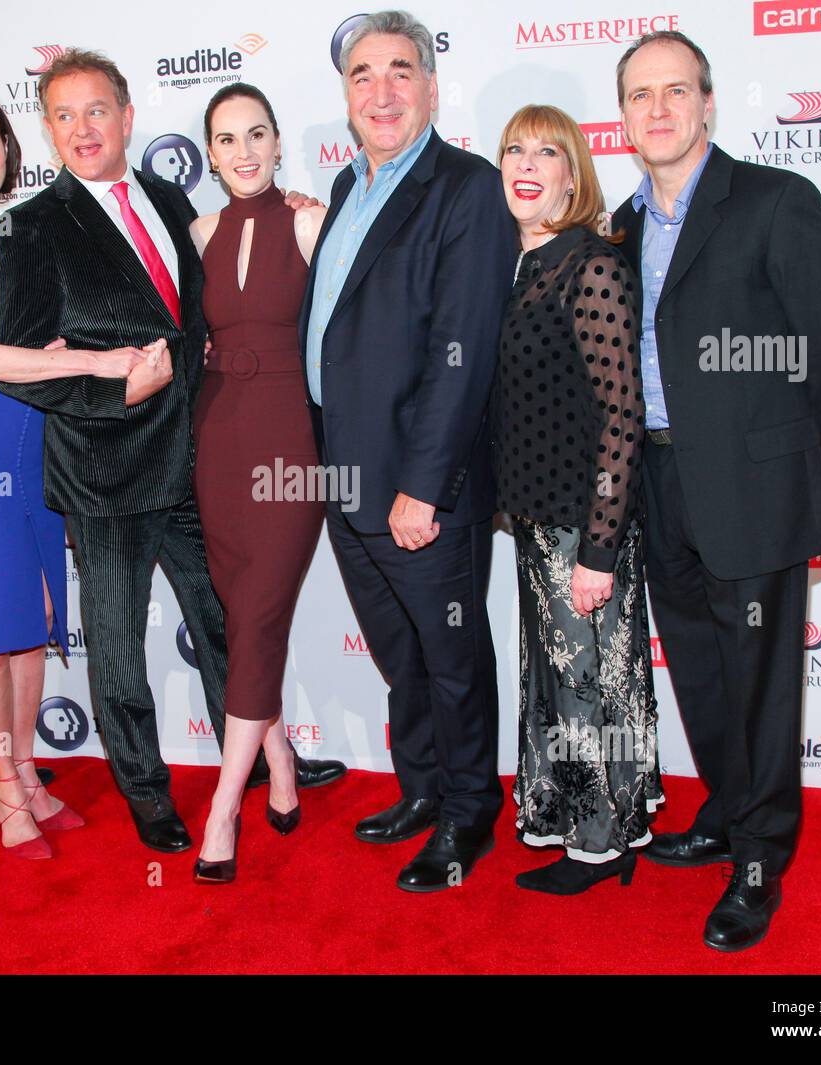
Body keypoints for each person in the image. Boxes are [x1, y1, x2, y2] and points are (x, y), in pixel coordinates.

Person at [0, 50, 343, 851]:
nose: (83, 129)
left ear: (126, 116)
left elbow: (217, 303)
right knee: (117, 653)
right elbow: (20, 357)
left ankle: (258, 753)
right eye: (64, 116)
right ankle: (148, 793)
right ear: (48, 129)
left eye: (97, 111)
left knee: (229, 621)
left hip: (197, 454)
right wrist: (114, 391)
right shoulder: (35, 224)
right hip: (105, 469)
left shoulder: (168, 197)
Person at [610, 30, 821, 950]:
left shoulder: (773, 200)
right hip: (659, 481)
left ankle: (760, 861)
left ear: (708, 102)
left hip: (751, 488)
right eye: (641, 95)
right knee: (707, 676)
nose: (660, 108)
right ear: (625, 116)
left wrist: (790, 456)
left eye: (676, 90)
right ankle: (725, 812)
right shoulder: (623, 223)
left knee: (759, 686)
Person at [301, 11, 516, 892]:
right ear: (345, 96)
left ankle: (470, 815)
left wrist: (424, 486)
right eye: (362, 75)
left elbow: (461, 350)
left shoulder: (466, 187)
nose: (381, 90)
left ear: (431, 86)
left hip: (423, 486)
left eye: (400, 71)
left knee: (453, 660)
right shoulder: (350, 188)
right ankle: (423, 790)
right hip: (346, 477)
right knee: (403, 658)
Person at [0, 85, 137, 857]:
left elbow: (34, 332)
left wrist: (63, 350)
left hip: (36, 434)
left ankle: (32, 776)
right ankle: (5, 789)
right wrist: (85, 359)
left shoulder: (19, 229)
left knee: (34, 617)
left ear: (9, 148)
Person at [492, 104, 662, 895]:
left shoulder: (589, 265)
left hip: (582, 523)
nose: (527, 164)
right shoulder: (528, 264)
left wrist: (598, 549)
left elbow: (621, 417)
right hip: (537, 518)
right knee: (566, 677)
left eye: (547, 152)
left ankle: (603, 843)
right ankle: (580, 813)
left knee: (590, 679)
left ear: (573, 174)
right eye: (514, 150)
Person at [187, 83, 337, 883]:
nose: (243, 152)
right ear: (208, 155)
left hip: (288, 441)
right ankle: (278, 763)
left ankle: (222, 809)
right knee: (240, 607)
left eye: (256, 135)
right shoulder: (198, 230)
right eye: (226, 139)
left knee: (260, 608)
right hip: (217, 436)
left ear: (278, 143)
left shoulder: (312, 221)